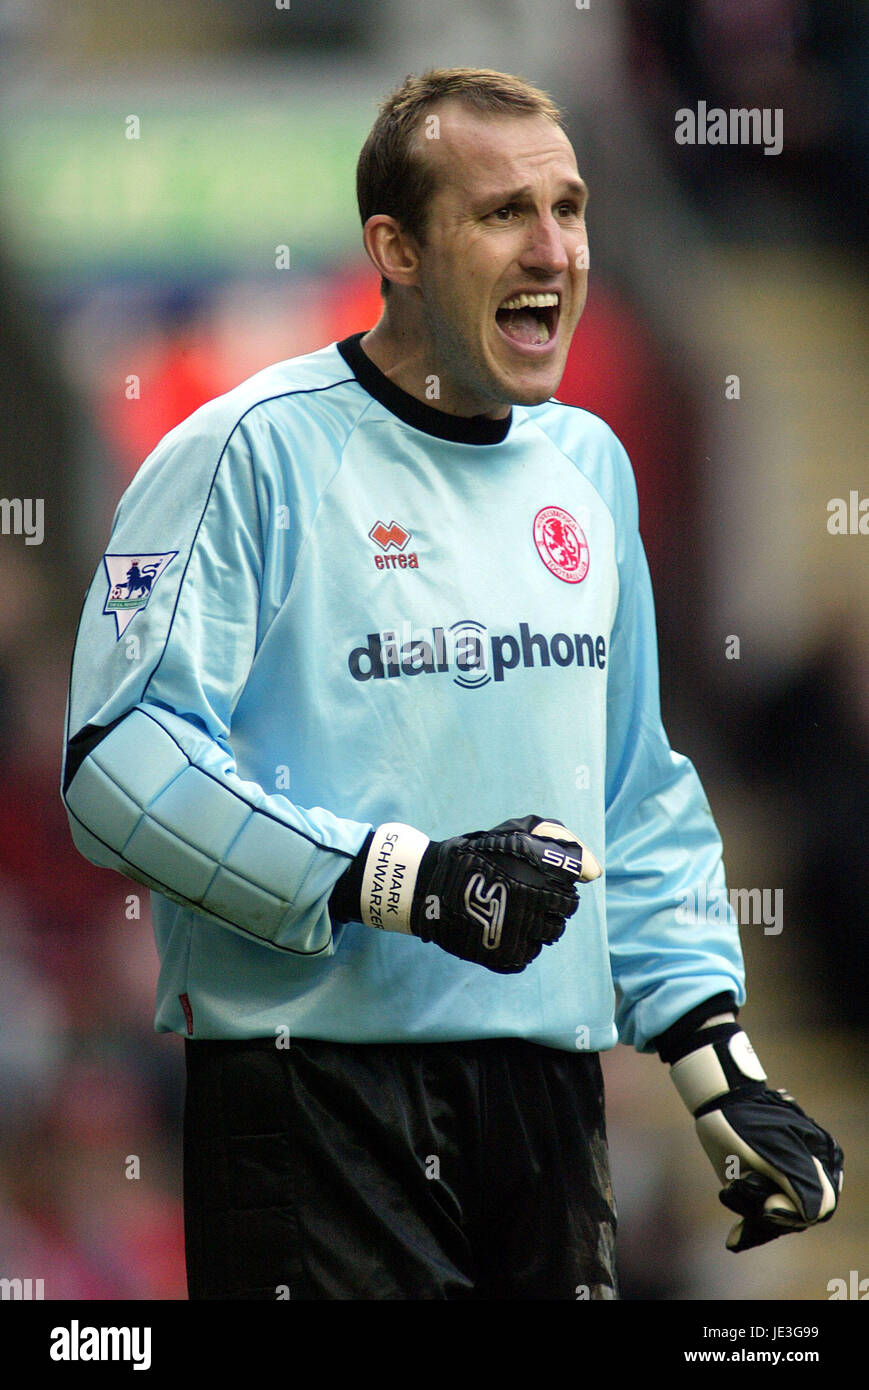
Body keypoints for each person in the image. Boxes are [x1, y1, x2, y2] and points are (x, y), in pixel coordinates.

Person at [62, 68, 842, 1301]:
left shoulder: (589, 464)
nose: (553, 249)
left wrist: (719, 1068)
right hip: (310, 1091)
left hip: (546, 1099)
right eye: (500, 214)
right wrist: (399, 879)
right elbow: (116, 765)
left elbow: (632, 794)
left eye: (570, 207)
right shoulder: (244, 450)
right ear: (398, 248)